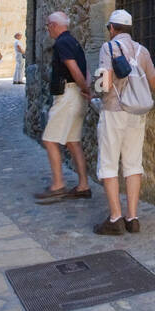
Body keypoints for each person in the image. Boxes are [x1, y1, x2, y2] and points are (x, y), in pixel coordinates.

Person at [93, 9, 155, 235]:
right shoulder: (142, 50)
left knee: (109, 163)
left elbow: (105, 82)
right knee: (133, 164)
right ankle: (133, 218)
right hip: (136, 113)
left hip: (114, 110)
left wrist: (97, 90)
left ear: (112, 28)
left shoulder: (109, 48)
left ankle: (115, 218)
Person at [35, 12, 92, 203]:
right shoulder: (74, 42)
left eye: (48, 26)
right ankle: (83, 185)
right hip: (75, 95)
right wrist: (85, 89)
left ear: (53, 25)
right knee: (73, 141)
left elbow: (74, 69)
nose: (48, 29)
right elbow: (85, 69)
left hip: (68, 96)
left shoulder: (61, 43)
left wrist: (85, 89)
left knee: (50, 140)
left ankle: (58, 185)